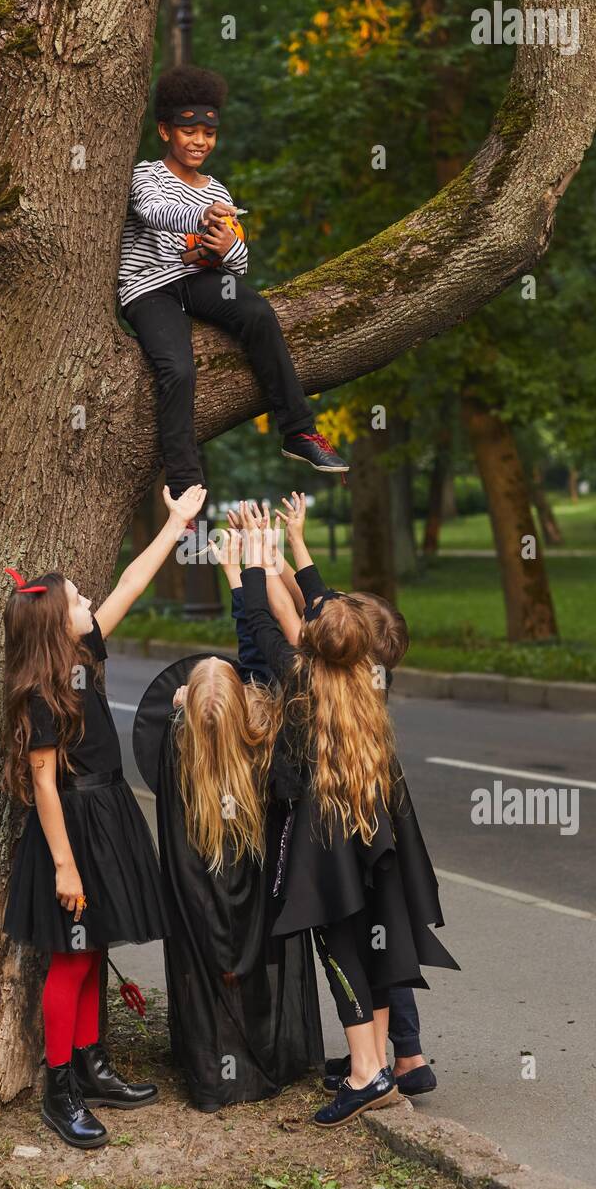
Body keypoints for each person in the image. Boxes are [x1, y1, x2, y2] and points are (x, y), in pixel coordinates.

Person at [236, 502, 459, 1128]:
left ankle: (367, 1073)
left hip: (327, 847)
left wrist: (257, 555)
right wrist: (291, 550)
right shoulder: (370, 678)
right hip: (377, 834)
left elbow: (260, 623)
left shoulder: (303, 680)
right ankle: (380, 1062)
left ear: (317, 642)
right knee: (373, 943)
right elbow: (327, 614)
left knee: (337, 949)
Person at [1, 483, 206, 1148]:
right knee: (70, 960)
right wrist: (64, 866)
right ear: (57, 621)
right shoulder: (39, 694)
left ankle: (91, 1067)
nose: (92, 604)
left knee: (94, 953)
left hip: (108, 813)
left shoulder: (85, 657)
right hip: (73, 830)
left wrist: (177, 525)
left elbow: (131, 582)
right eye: (80, 601)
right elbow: (45, 786)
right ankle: (60, 1092)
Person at [130, 522, 324, 1111]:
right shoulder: (267, 744)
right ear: (243, 705)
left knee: (210, 975)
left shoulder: (175, 754)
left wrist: (185, 709)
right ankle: (269, 1055)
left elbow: (206, 701)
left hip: (198, 893)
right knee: (257, 967)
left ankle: (214, 1071)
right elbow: (262, 653)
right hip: (254, 888)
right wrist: (249, 570)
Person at [117, 63, 348, 549]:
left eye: (208, 133)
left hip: (200, 280)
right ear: (165, 131)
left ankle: (299, 431)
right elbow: (156, 213)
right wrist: (201, 217)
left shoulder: (218, 190)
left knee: (259, 313)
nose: (199, 141)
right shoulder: (144, 176)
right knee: (177, 370)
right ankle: (184, 484)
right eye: (188, 131)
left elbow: (238, 262)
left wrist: (224, 247)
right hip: (150, 288)